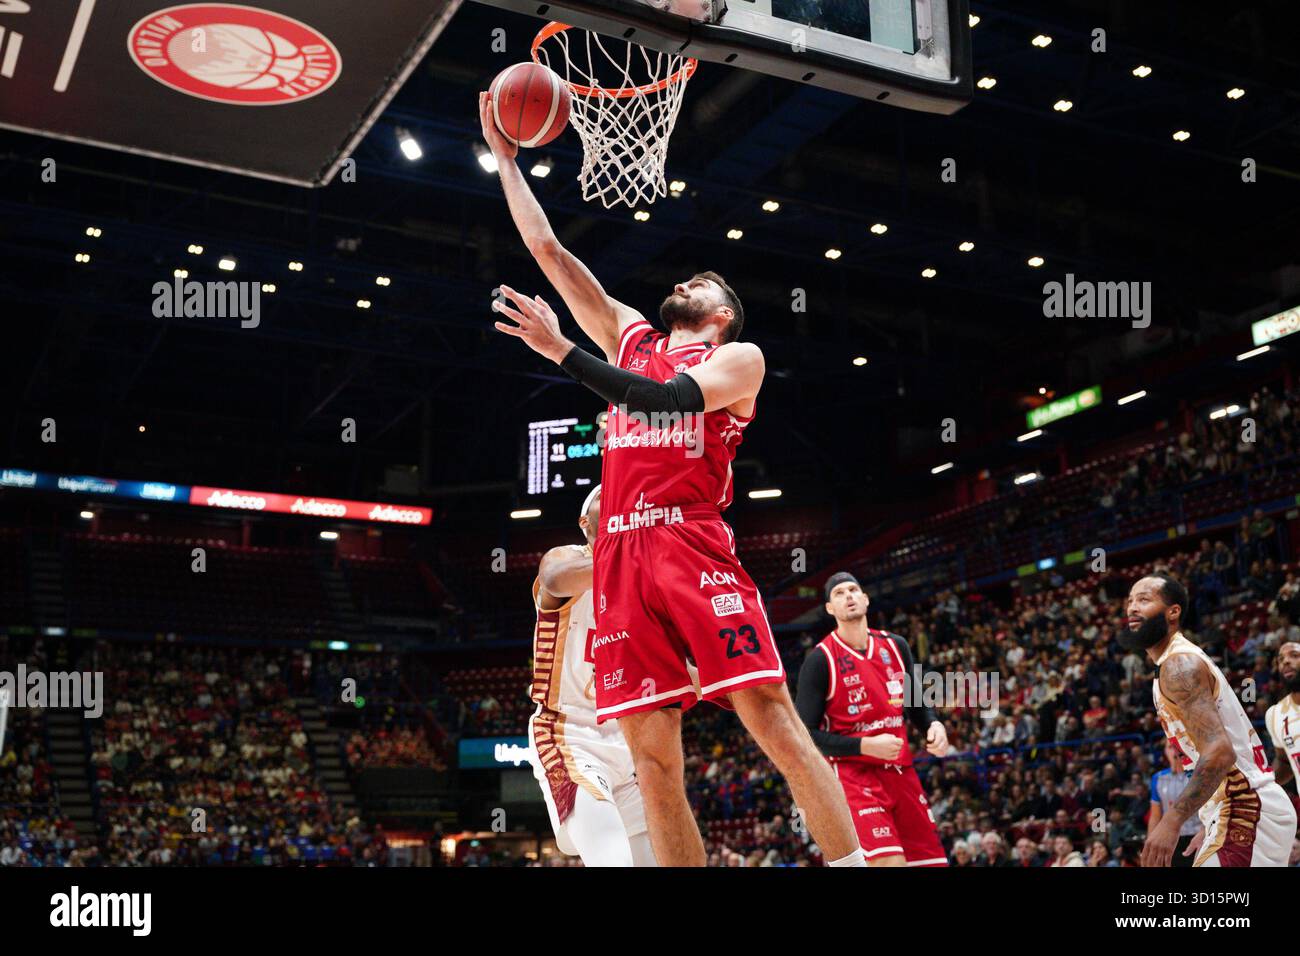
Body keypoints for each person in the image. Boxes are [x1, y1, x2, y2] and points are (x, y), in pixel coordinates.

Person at [479, 95, 863, 867]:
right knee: (654, 767)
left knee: (775, 724)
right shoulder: (631, 338)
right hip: (621, 558)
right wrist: (509, 164)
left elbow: (662, 404)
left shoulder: (737, 361)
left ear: (722, 314)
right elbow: (550, 250)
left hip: (690, 544)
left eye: (704, 280)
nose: (687, 278)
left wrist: (561, 353)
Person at [526, 486, 656, 866]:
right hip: (570, 733)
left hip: (628, 739)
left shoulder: (644, 581)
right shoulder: (568, 559)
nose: (618, 497)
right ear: (585, 523)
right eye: (606, 495)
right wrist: (637, 554)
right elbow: (553, 579)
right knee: (614, 860)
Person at [1127, 574, 1296, 866]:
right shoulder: (1174, 663)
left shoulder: (1179, 665)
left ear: (1173, 611)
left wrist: (1172, 821)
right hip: (1238, 808)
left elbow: (1219, 752)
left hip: (1245, 806)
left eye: (1143, 599)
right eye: (1130, 601)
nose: (1131, 608)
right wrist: (1209, 818)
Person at [794, 573, 950, 866]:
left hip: (902, 773)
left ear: (866, 599)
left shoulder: (896, 646)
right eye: (839, 593)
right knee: (889, 863)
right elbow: (806, 737)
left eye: (854, 589)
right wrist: (865, 746)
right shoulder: (820, 660)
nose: (849, 596)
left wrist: (934, 725)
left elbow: (916, 705)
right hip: (854, 778)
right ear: (830, 608)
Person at [1148, 739, 1204, 868]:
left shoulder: (1200, 774)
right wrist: (1150, 844)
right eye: (1170, 747)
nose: (1175, 751)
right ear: (1165, 751)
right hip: (1171, 839)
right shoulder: (1158, 778)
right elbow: (1155, 816)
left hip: (1199, 835)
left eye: (1177, 747)